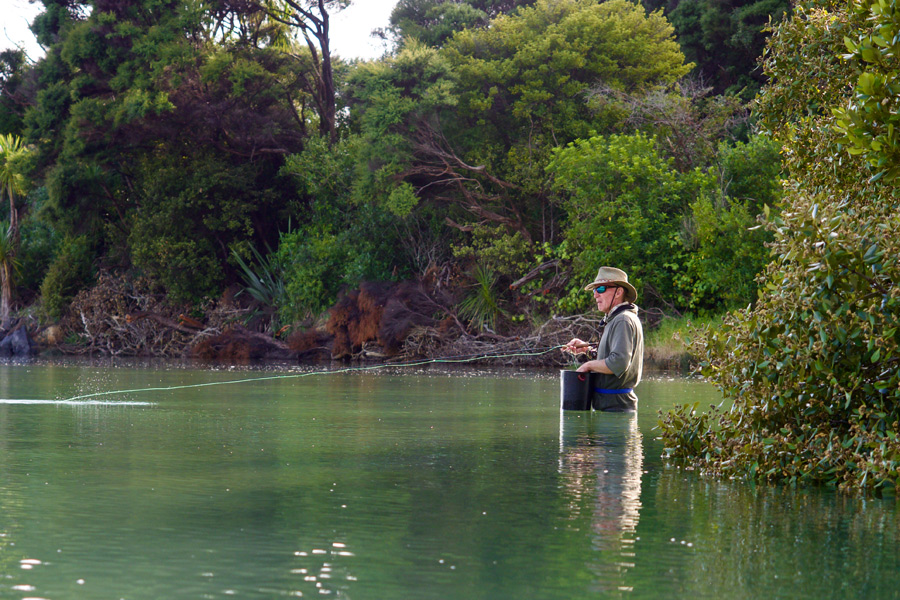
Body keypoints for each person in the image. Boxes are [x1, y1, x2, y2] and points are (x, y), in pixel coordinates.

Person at [563, 267, 643, 412]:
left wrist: (588, 366)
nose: (595, 295)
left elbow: (618, 362)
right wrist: (587, 350)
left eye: (600, 289)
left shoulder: (622, 320)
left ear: (618, 292)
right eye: (594, 290)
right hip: (609, 409)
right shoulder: (616, 319)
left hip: (616, 410)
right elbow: (611, 357)